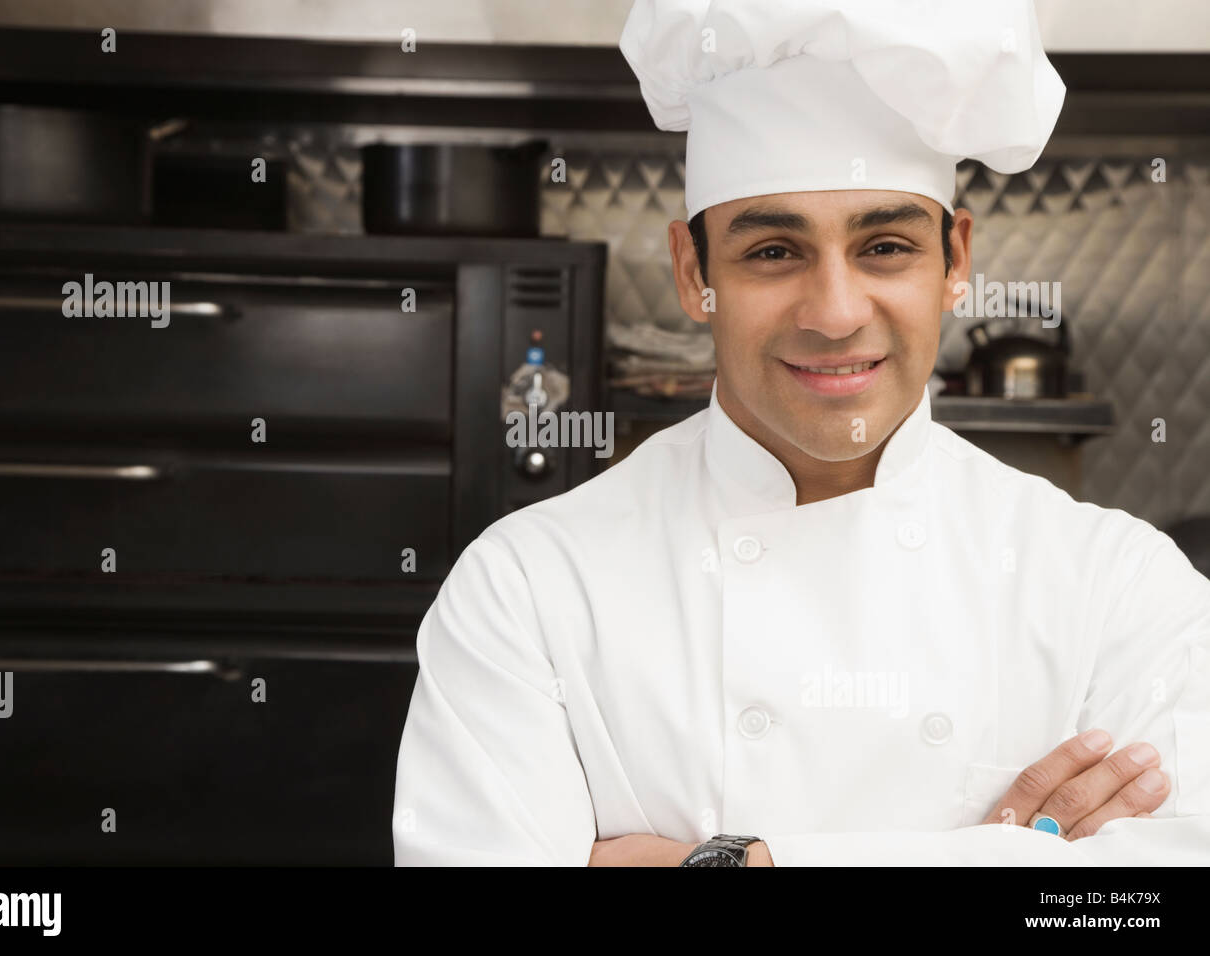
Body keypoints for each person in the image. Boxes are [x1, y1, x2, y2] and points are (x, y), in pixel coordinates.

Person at [392, 0, 1210, 866]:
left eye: (886, 246)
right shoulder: (527, 590)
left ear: (956, 262)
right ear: (691, 271)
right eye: (774, 251)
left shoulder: (1118, 588)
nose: (834, 313)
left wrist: (740, 864)